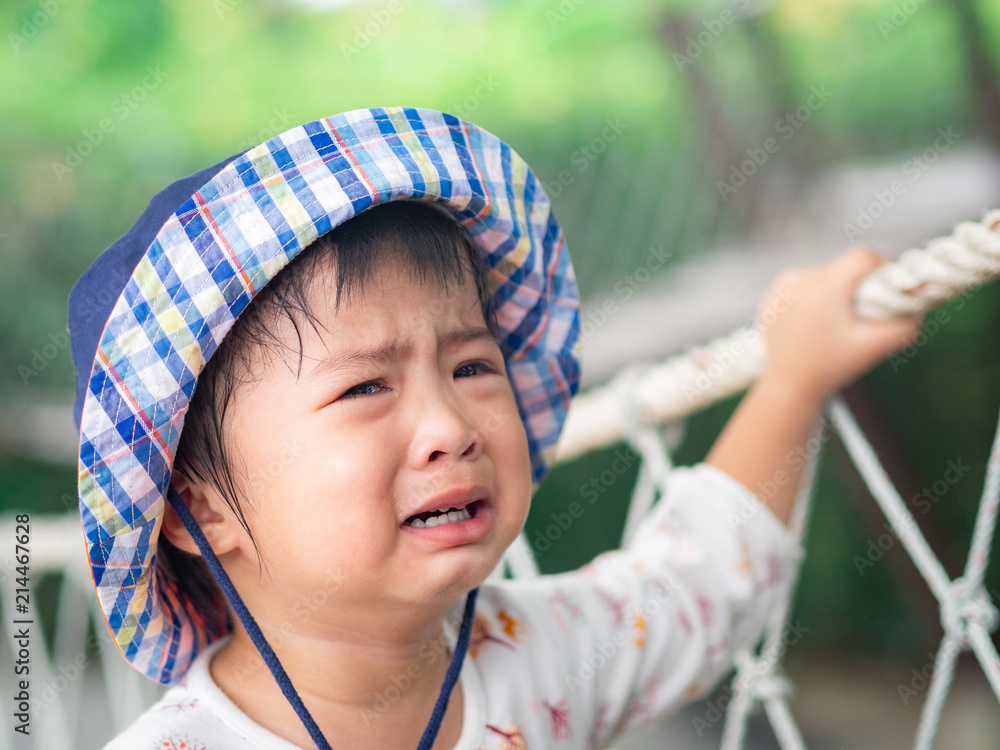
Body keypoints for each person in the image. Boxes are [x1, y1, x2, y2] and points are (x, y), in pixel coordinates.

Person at [68, 107, 923, 750]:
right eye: (366, 387)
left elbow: (702, 582)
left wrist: (792, 382)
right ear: (196, 509)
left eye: (473, 367)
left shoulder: (541, 657)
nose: (450, 425)